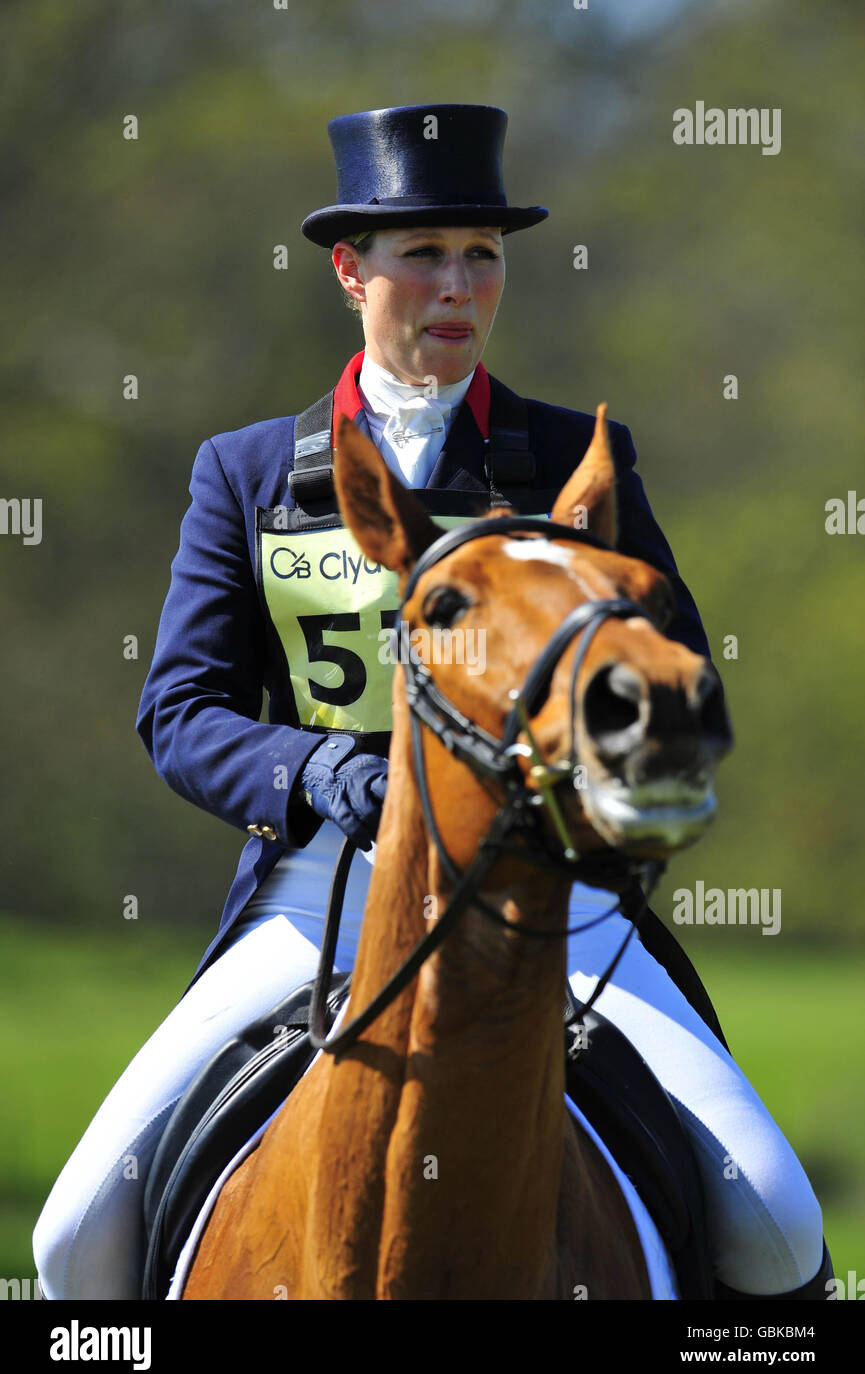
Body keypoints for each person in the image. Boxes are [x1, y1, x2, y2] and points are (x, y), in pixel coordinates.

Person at [33, 103, 831, 1301]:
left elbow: (676, 674)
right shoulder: (248, 473)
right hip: (321, 903)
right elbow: (183, 711)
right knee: (74, 1241)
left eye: (482, 256)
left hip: (549, 903)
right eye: (425, 256)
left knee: (773, 1218)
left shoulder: (569, 461)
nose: (457, 286)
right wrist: (322, 775)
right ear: (352, 271)